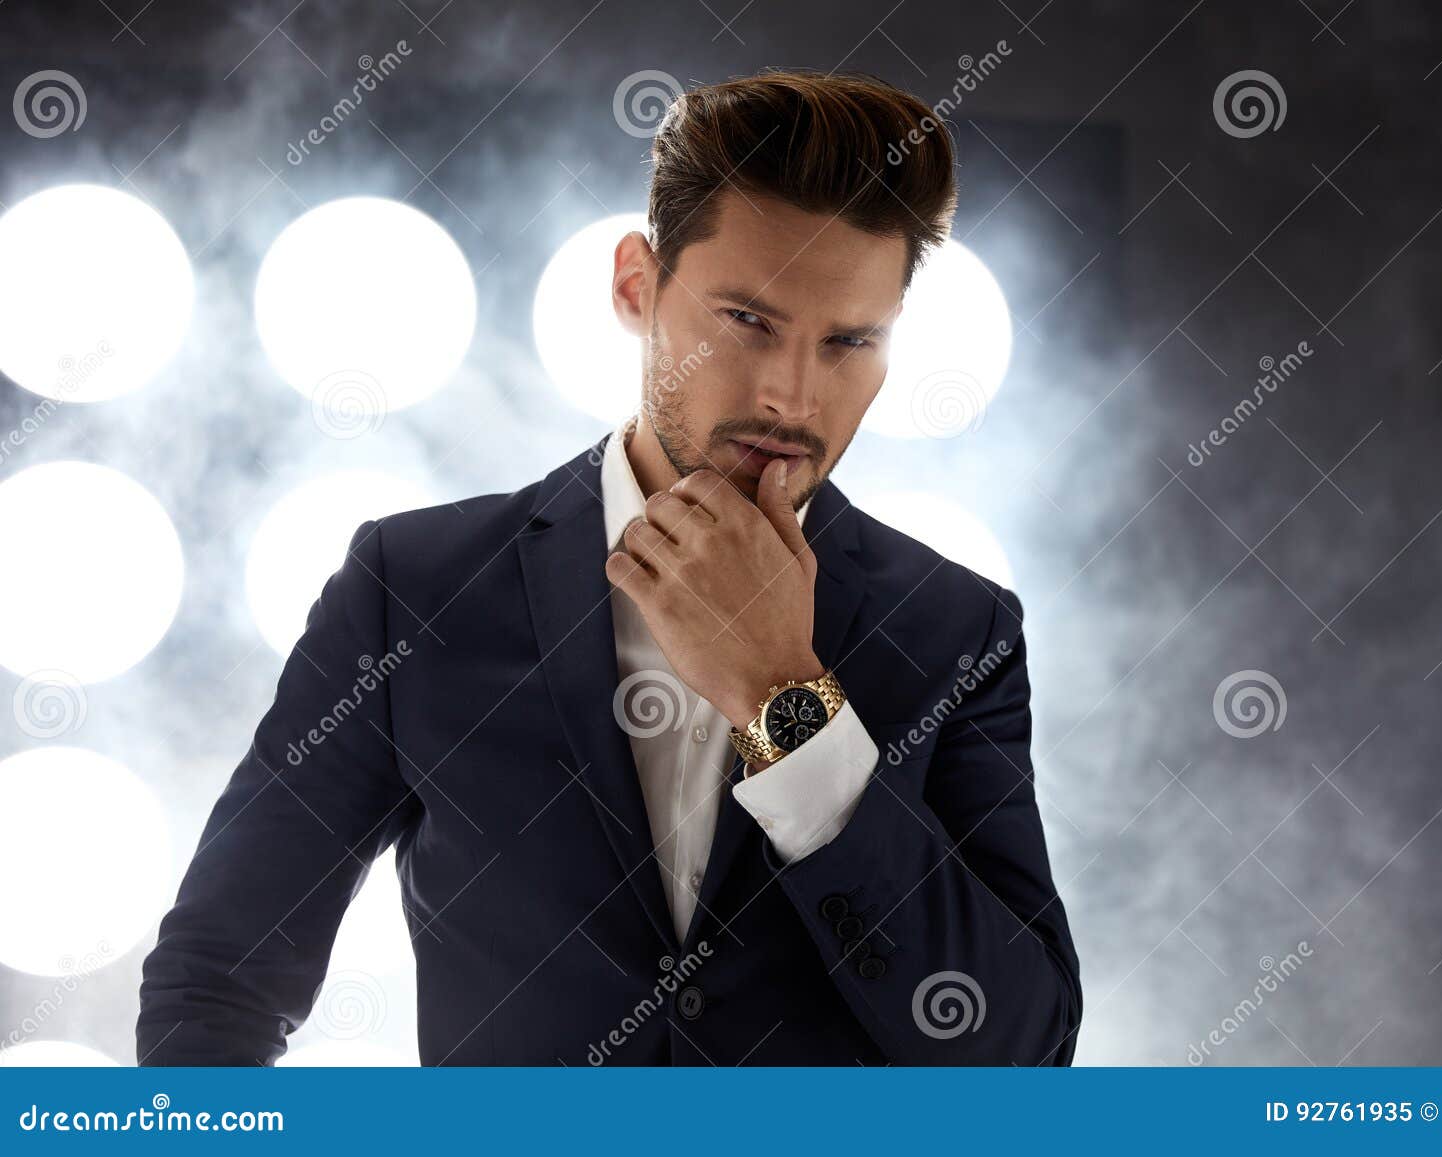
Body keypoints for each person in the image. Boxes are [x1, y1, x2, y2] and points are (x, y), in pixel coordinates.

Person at [137, 68, 1082, 1066]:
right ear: (638, 284)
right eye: (747, 321)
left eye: (849, 341)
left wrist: (784, 698)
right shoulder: (411, 589)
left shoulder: (954, 629)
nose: (789, 394)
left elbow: (1015, 1049)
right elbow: (217, 980)